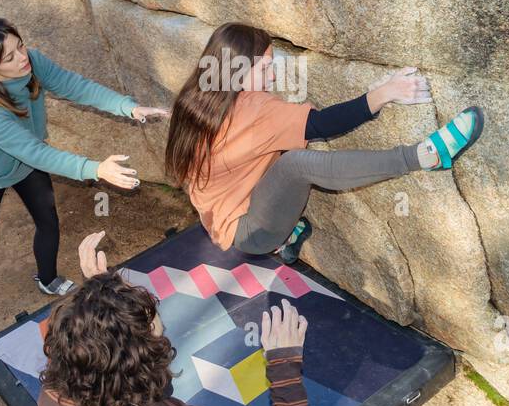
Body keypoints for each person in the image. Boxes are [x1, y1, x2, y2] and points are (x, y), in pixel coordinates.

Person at [0, 18, 170, 388]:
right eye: (9, 56)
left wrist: (129, 107)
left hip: (27, 164)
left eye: (21, 45)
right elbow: (31, 150)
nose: (22, 58)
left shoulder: (31, 64)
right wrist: (95, 169)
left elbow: (75, 86)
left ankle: (46, 278)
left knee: (48, 220)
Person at [37, 231, 313, 406]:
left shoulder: (51, 398)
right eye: (158, 333)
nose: (163, 336)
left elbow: (95, 349)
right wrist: (284, 363)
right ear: (142, 360)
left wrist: (103, 296)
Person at [164, 22, 484, 260]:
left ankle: (287, 236)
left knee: (286, 144)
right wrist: (384, 93)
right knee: (295, 163)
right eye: (266, 67)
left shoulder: (197, 98)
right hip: (251, 233)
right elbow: (323, 125)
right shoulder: (254, 109)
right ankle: (425, 156)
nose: (272, 76)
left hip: (222, 222)